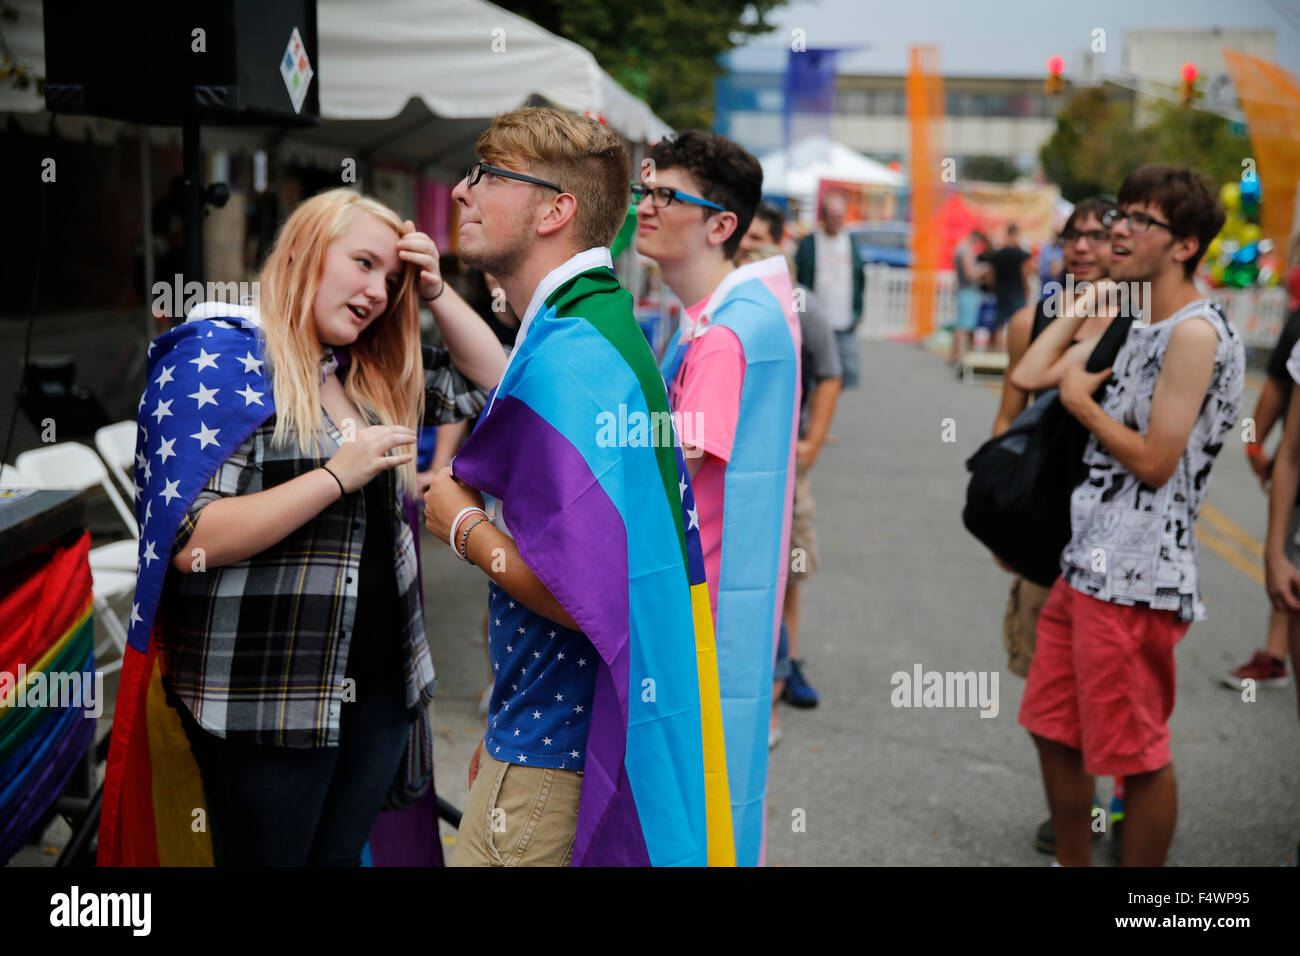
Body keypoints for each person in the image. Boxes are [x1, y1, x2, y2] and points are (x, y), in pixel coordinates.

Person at [99, 188, 507, 866]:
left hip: (379, 687)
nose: (378, 291)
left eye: (392, 278)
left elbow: (494, 377)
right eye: (364, 263)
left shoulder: (363, 366)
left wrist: (435, 291)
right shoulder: (216, 361)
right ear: (304, 251)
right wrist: (334, 476)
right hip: (266, 700)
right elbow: (190, 540)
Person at [422, 108, 729, 867]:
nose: (461, 192)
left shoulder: (573, 353)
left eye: (487, 176)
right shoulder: (595, 326)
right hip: (556, 733)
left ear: (557, 210)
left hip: (551, 750)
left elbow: (576, 594)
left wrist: (460, 526)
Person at [1016, 165, 1243, 867]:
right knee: (1053, 724)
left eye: (1141, 220)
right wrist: (1103, 293)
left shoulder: (1195, 335)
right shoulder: (1135, 316)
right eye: (1124, 215)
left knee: (1134, 753)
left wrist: (1083, 406)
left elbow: (1155, 460)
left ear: (1185, 245)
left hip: (1138, 576)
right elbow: (1030, 374)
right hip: (1085, 561)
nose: (1120, 228)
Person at [636, 130, 800, 866]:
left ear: (720, 224)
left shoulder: (725, 334)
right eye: (645, 190)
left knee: (685, 809)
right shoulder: (728, 316)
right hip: (708, 598)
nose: (645, 205)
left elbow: (675, 452)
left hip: (696, 609)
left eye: (666, 195)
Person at [1001, 195, 1124, 857]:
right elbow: (1006, 419)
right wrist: (1000, 519)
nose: (1081, 247)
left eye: (1097, 236)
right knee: (1044, 679)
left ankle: (1110, 799)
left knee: (1103, 680)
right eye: (1072, 236)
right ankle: (1078, 801)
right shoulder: (1036, 319)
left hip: (1111, 534)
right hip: (1044, 529)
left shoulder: (1143, 323)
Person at [738, 203, 842, 738]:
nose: (751, 246)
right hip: (732, 462)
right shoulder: (727, 297)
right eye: (745, 237)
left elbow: (829, 373)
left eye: (761, 237)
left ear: (780, 242)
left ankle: (786, 666)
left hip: (782, 461)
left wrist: (813, 442)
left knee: (787, 572)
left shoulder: (801, 304)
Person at [1229, 303, 1300, 688]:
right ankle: (1274, 656)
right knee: (1288, 562)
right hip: (1296, 475)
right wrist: (1252, 444)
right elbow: (1273, 385)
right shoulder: (1296, 321)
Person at [795, 192, 865, 389]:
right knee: (814, 371)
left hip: (844, 320)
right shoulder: (810, 243)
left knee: (847, 372)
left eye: (840, 215)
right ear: (823, 216)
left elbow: (859, 277)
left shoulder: (850, 242)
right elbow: (800, 279)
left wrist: (858, 311)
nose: (836, 220)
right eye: (832, 215)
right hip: (817, 319)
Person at [989, 223, 1034, 352]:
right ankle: (1014, 352)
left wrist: (995, 288)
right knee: (1018, 324)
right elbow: (1024, 273)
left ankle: (998, 352)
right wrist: (1027, 289)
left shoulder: (998, 254)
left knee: (1000, 325)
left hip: (1001, 292)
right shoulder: (1020, 254)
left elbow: (991, 276)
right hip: (1017, 292)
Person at [950, 230, 991, 365]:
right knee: (964, 326)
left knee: (960, 324)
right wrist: (984, 268)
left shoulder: (959, 248)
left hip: (963, 290)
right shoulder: (966, 251)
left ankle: (955, 355)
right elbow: (970, 274)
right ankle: (960, 356)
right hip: (968, 291)